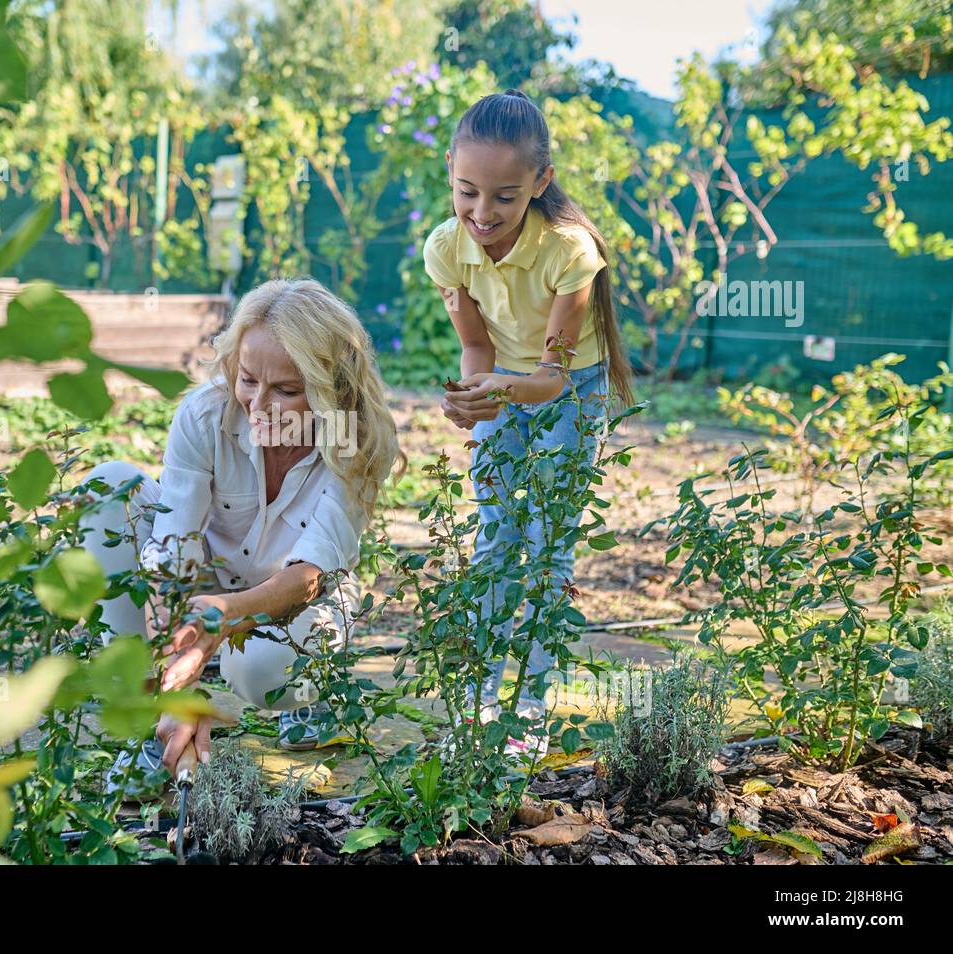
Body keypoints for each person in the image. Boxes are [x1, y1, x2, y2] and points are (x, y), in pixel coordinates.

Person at [79, 278, 404, 792]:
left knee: (259, 673)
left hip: (294, 597)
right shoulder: (204, 414)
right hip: (208, 575)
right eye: (248, 379)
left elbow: (308, 576)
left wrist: (222, 616)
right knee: (107, 487)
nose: (259, 404)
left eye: (288, 390)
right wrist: (174, 677)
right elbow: (172, 549)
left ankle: (317, 697)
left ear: (331, 388)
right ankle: (149, 717)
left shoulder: (355, 441)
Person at [422, 89, 634, 756]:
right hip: (508, 377)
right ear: (451, 167)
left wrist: (498, 389)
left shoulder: (568, 252)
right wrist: (469, 396)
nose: (483, 213)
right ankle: (484, 698)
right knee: (496, 535)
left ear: (541, 181)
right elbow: (478, 350)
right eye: (467, 192)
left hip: (570, 387)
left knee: (548, 545)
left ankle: (532, 708)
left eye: (505, 197)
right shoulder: (446, 249)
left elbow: (550, 378)